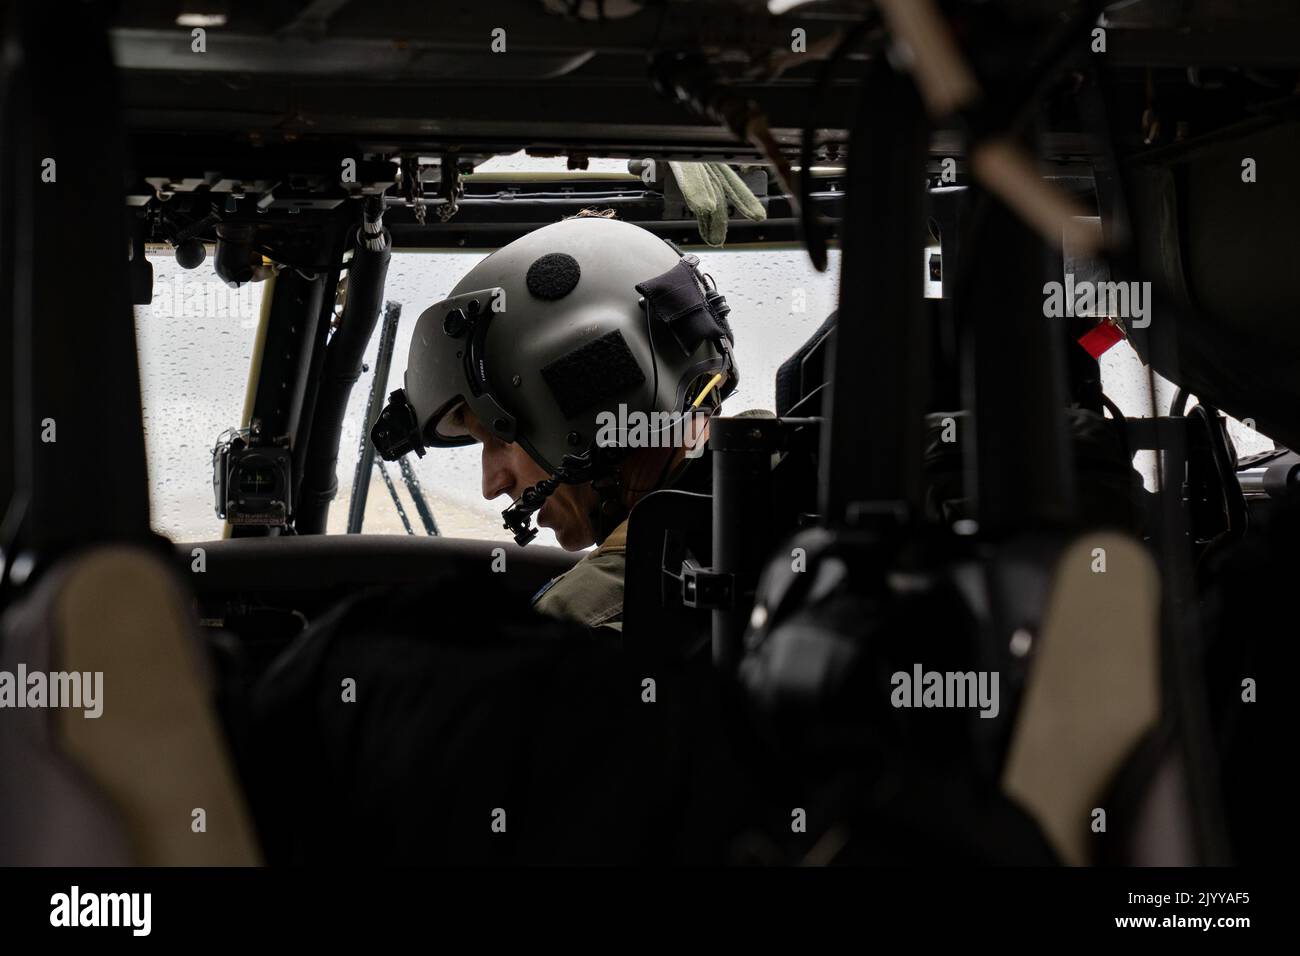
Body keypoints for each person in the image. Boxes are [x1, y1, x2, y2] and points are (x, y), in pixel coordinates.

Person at [371, 213, 738, 631]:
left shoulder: (583, 625)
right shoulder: (792, 485)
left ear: (591, 397)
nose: (491, 486)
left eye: (499, 437)